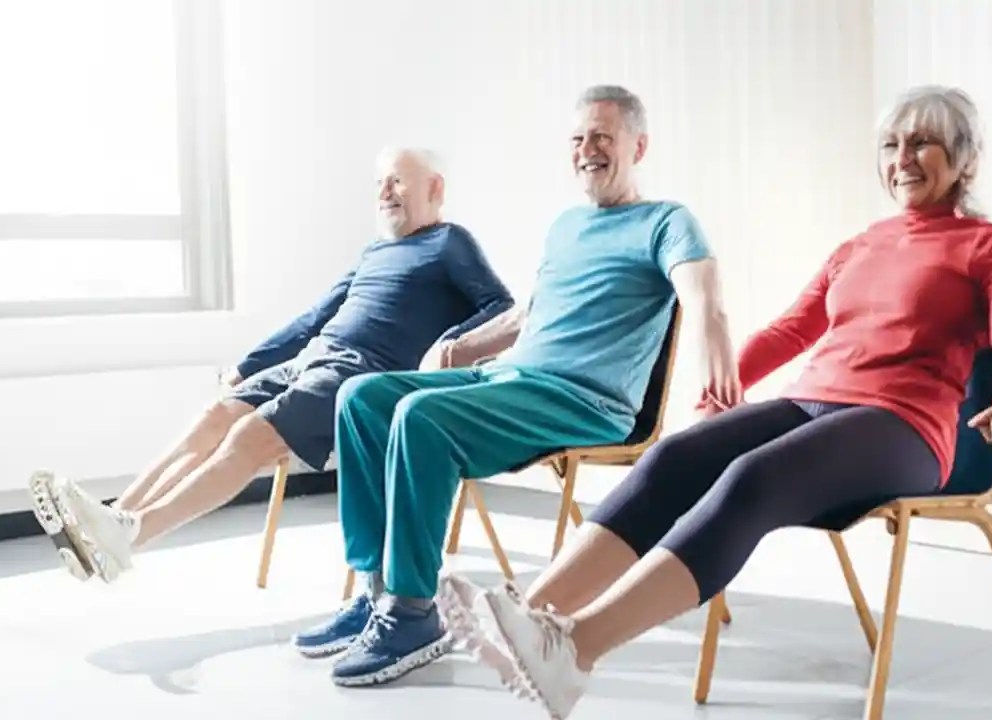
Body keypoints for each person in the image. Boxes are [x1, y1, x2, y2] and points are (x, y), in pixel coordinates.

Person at [438, 85, 992, 719]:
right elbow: (793, 329)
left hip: (905, 428)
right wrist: (723, 385)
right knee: (672, 459)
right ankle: (529, 615)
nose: (902, 158)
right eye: (891, 145)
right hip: (814, 401)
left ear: (964, 161)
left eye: (922, 143)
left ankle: (576, 652)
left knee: (751, 479)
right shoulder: (862, 244)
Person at [292, 85, 741, 688]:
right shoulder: (567, 225)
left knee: (422, 417)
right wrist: (461, 346)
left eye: (603, 137)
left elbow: (703, 298)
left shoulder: (666, 221)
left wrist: (717, 371)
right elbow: (530, 315)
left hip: (581, 399)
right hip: (509, 380)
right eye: (579, 138)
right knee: (363, 397)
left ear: (639, 145)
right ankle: (376, 591)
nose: (588, 150)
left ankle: (412, 612)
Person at [26, 146, 514, 583]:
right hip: (313, 359)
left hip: (358, 376)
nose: (385, 191)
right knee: (216, 415)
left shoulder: (450, 243)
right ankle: (115, 518)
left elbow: (500, 307)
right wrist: (245, 367)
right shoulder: (375, 252)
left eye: (398, 181)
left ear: (434, 189)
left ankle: (132, 537)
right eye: (380, 183)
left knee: (248, 437)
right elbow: (315, 317)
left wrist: (445, 348)